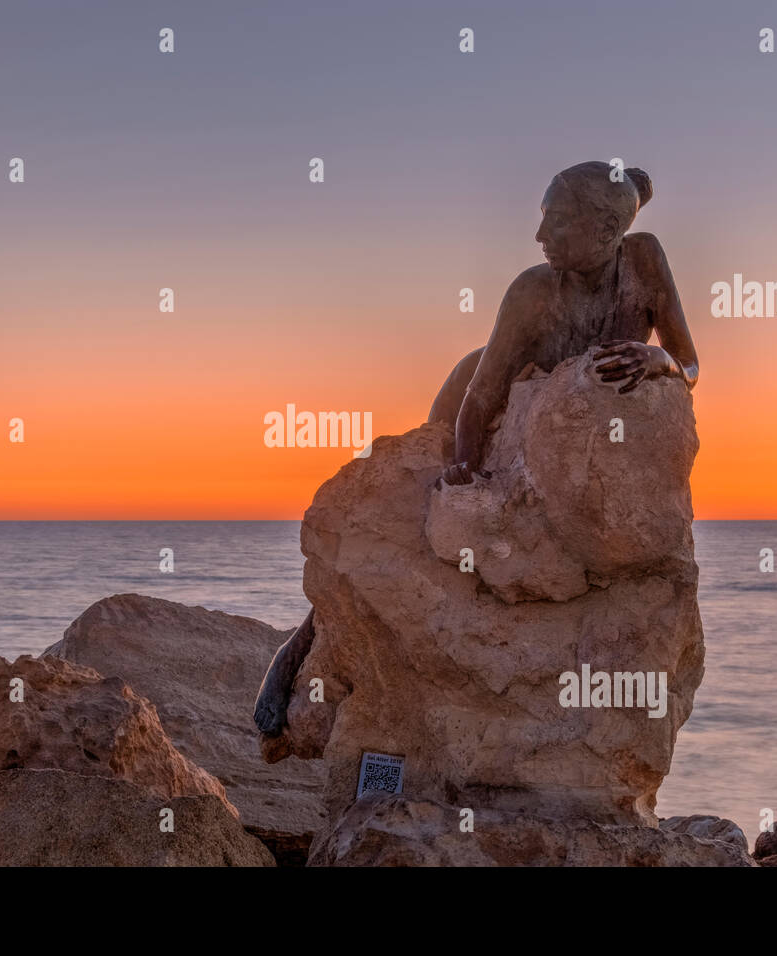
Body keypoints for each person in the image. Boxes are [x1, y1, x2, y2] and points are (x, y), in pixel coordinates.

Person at [254, 161, 699, 738]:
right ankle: (303, 642)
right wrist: (462, 466)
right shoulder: (532, 291)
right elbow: (480, 394)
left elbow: (689, 363)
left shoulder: (643, 261)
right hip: (472, 397)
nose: (540, 237)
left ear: (607, 226)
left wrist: (656, 359)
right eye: (543, 221)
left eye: (557, 222)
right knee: (397, 526)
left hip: (562, 439)